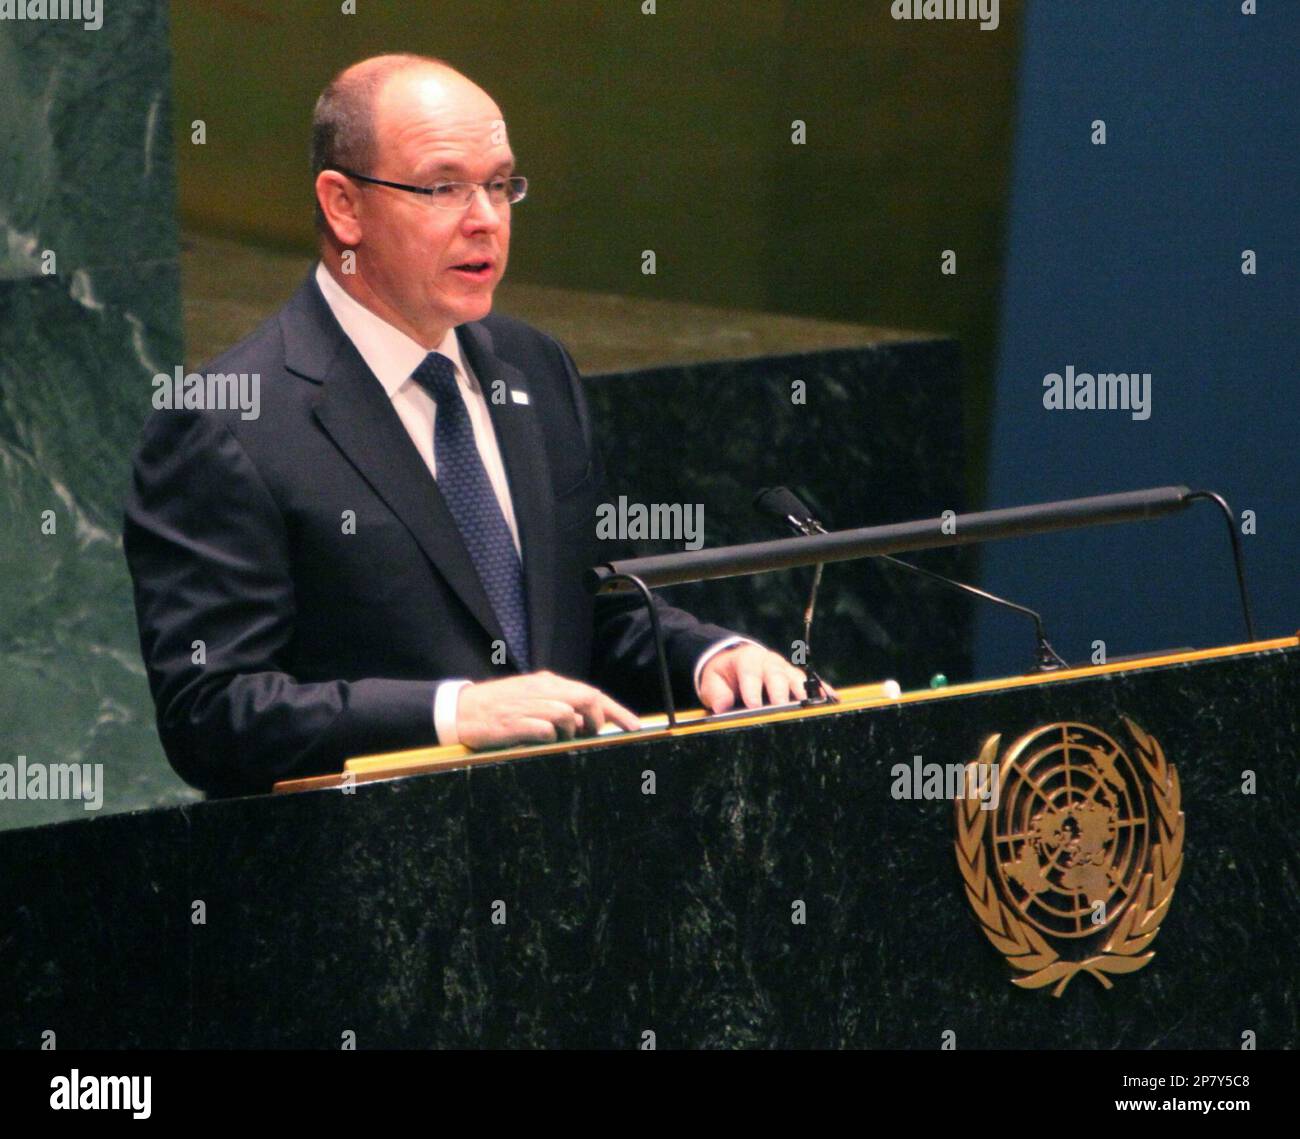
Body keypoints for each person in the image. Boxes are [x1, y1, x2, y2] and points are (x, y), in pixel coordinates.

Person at [123, 54, 807, 797]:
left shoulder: (534, 368)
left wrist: (713, 658)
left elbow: (593, 610)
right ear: (343, 205)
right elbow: (212, 714)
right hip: (369, 882)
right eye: (443, 187)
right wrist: (453, 712)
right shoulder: (228, 423)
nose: (484, 218)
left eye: (500, 184)